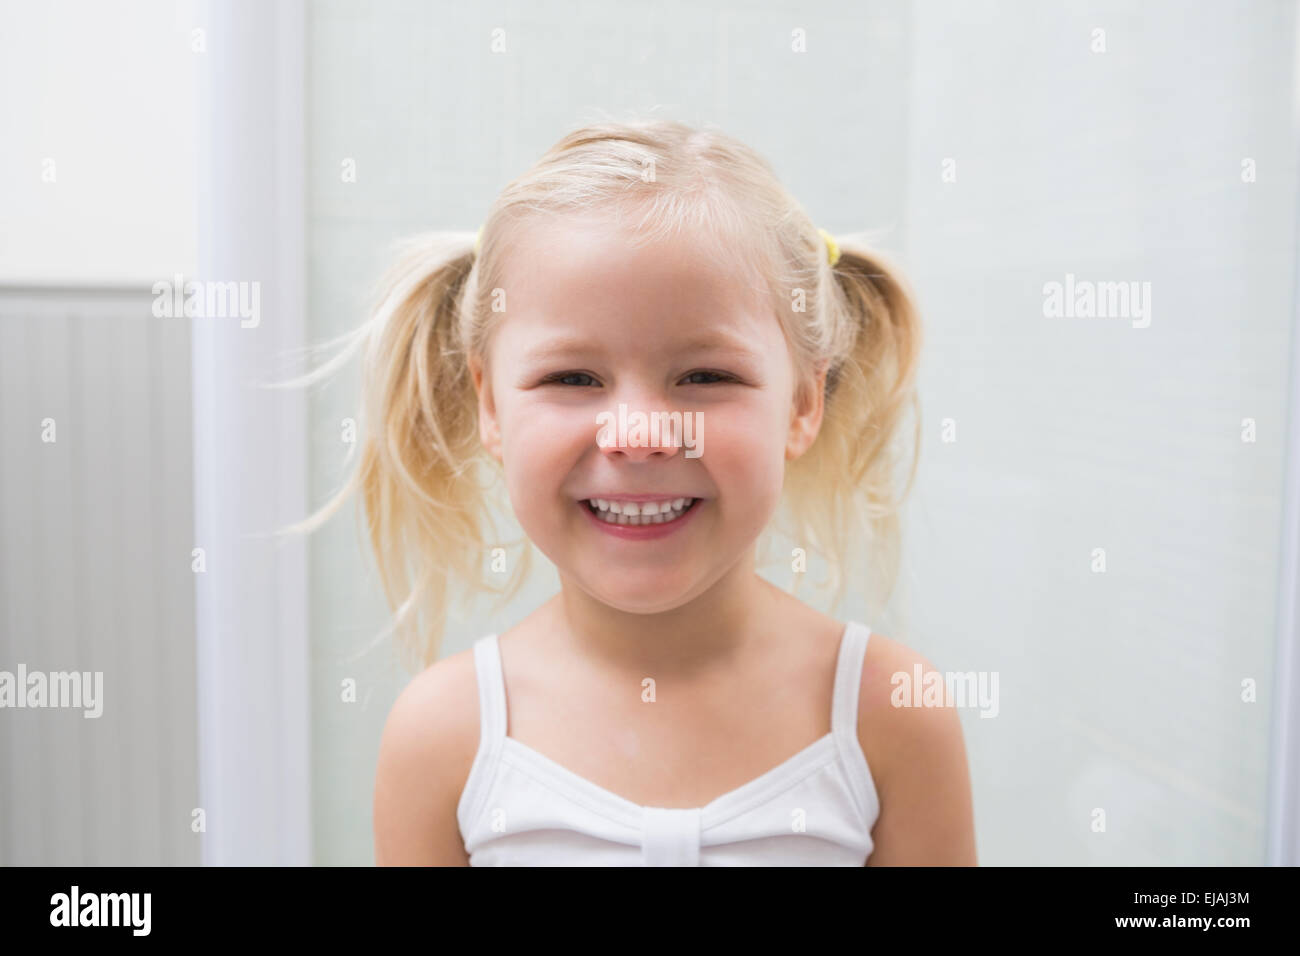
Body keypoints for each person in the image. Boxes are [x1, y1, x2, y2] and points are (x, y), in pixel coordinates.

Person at [333, 118, 975, 865]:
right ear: (490, 406)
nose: (637, 435)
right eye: (572, 379)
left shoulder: (889, 711)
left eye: (705, 377)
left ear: (802, 402)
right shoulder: (444, 734)